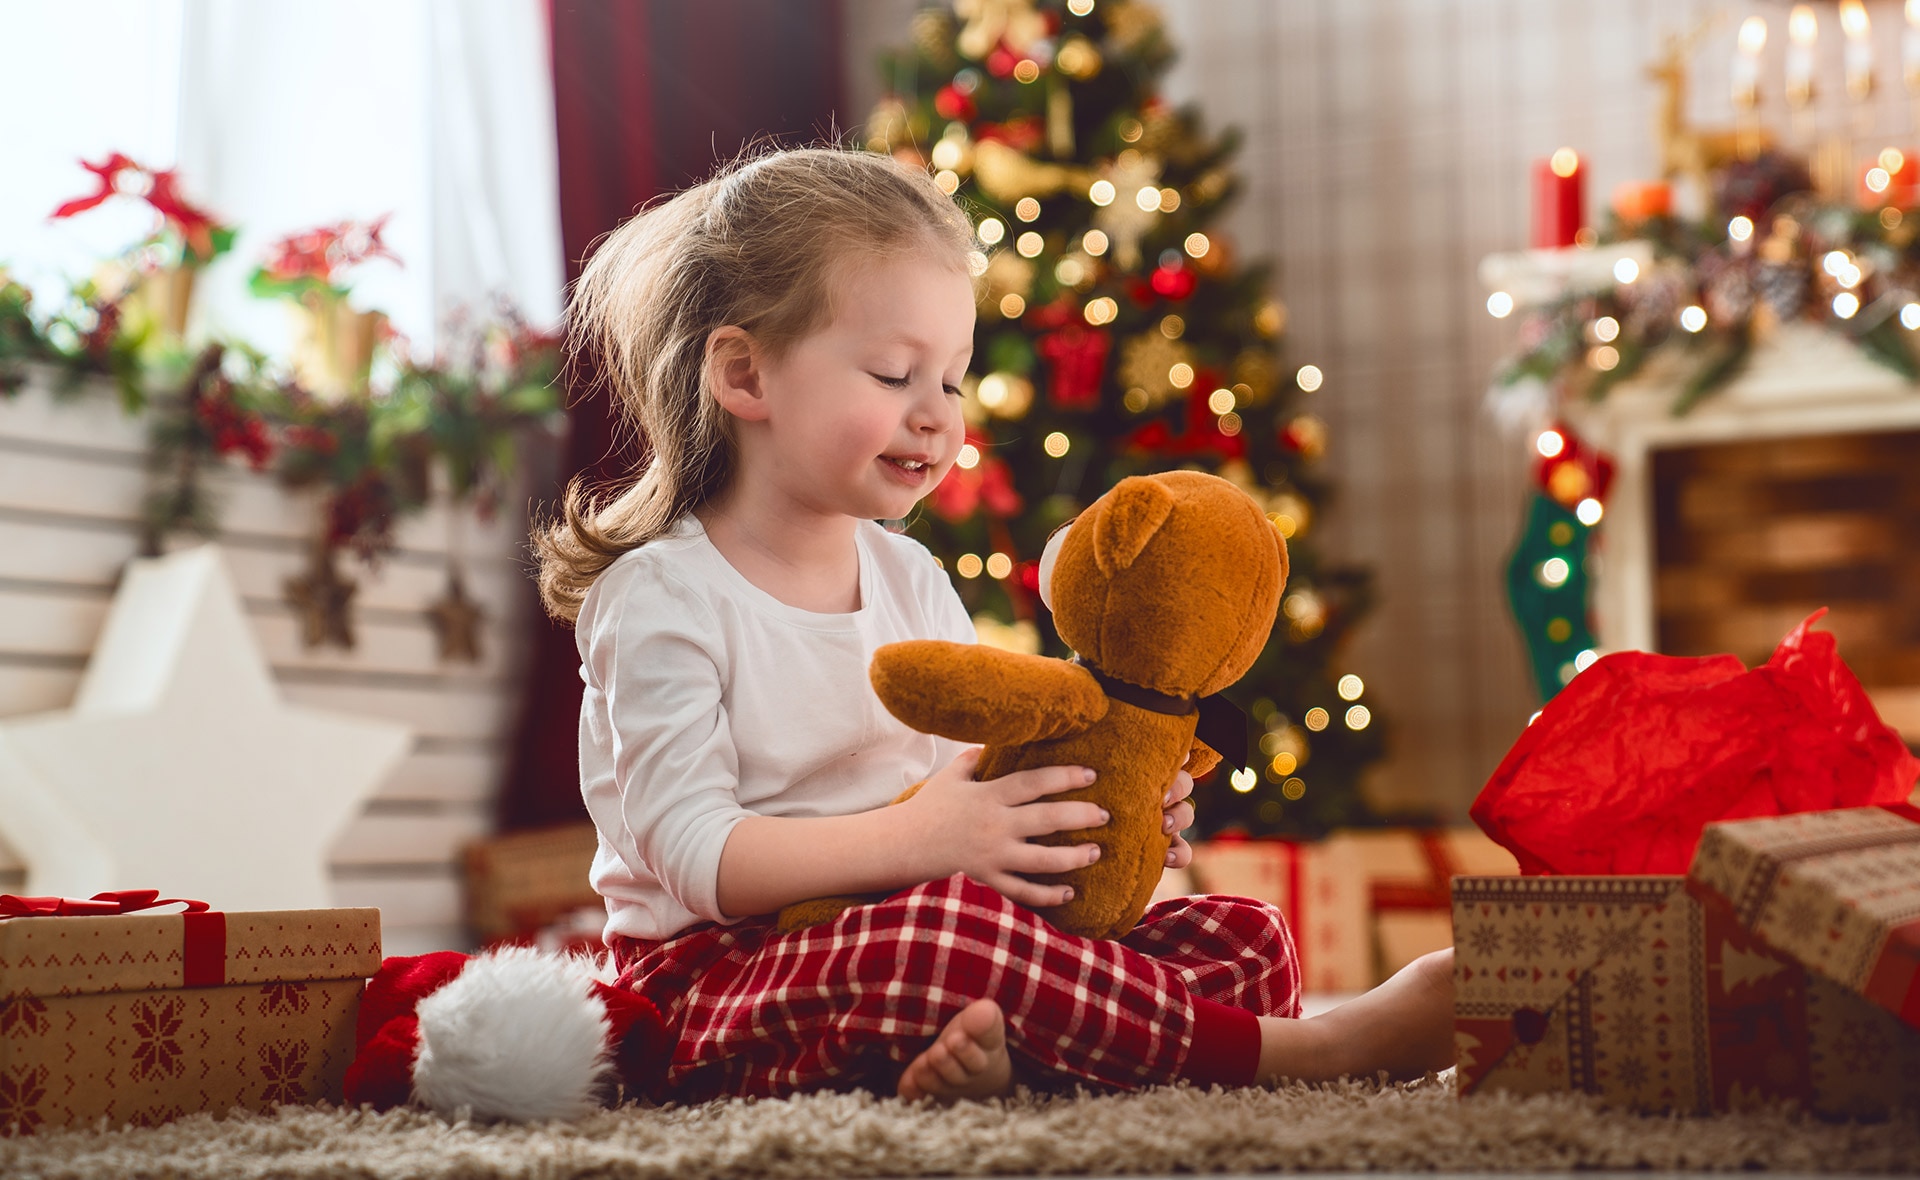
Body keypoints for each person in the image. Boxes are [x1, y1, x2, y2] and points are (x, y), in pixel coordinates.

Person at [534, 145, 1453, 1104]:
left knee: (1241, 938)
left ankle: (995, 1056)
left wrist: (1095, 810)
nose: (937, 417)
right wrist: (920, 844)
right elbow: (692, 855)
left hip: (907, 926)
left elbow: (972, 788)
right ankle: (1304, 1054)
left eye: (954, 381)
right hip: (712, 983)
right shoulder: (662, 595)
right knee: (952, 945)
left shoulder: (911, 577)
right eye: (895, 375)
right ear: (745, 375)